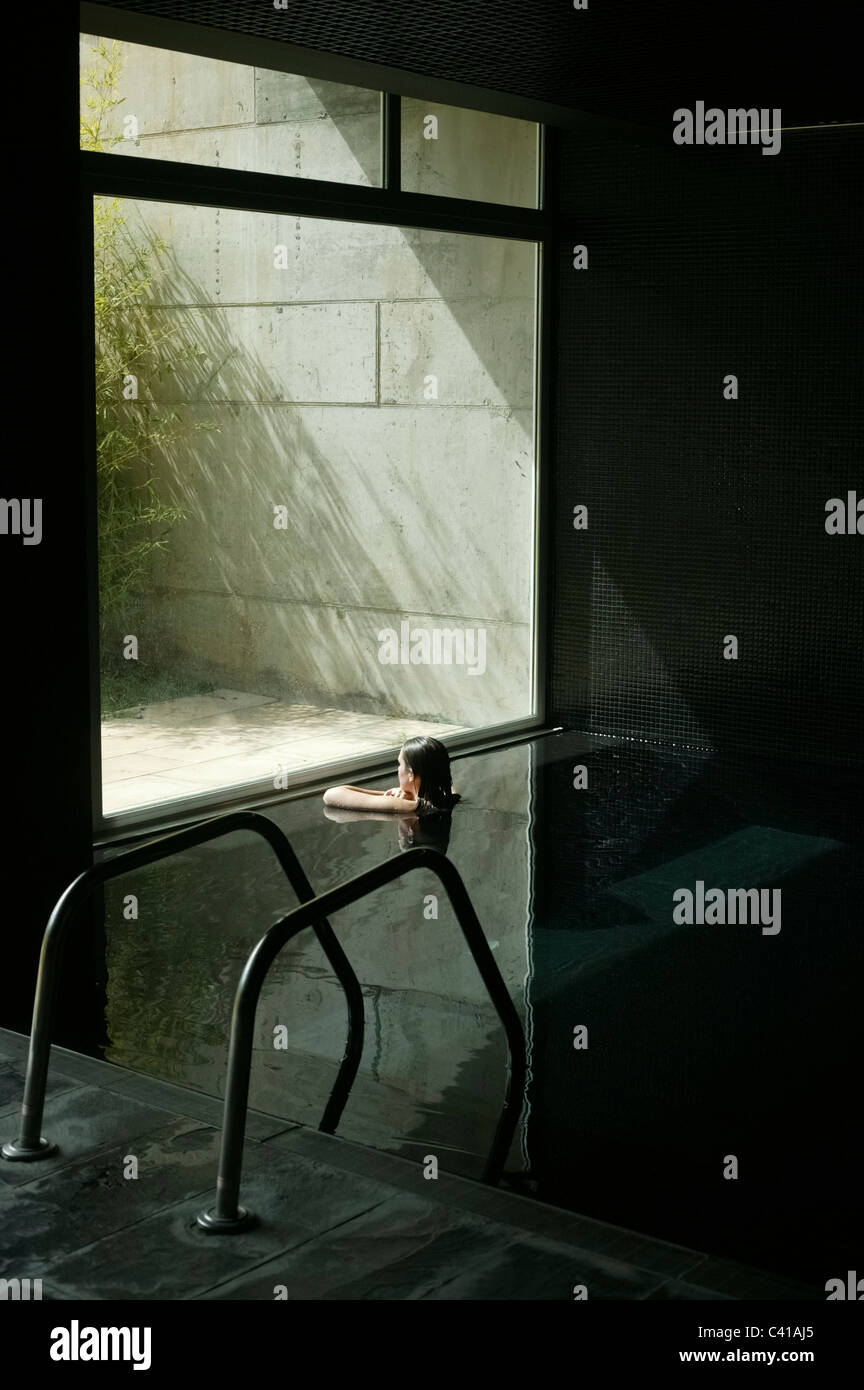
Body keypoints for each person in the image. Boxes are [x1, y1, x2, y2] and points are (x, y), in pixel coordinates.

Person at [323, 735, 461, 816]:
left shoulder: (408, 806)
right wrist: (409, 792)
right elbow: (443, 781)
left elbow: (331, 794)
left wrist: (388, 795)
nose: (398, 768)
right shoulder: (450, 797)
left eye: (399, 764)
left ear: (411, 774)